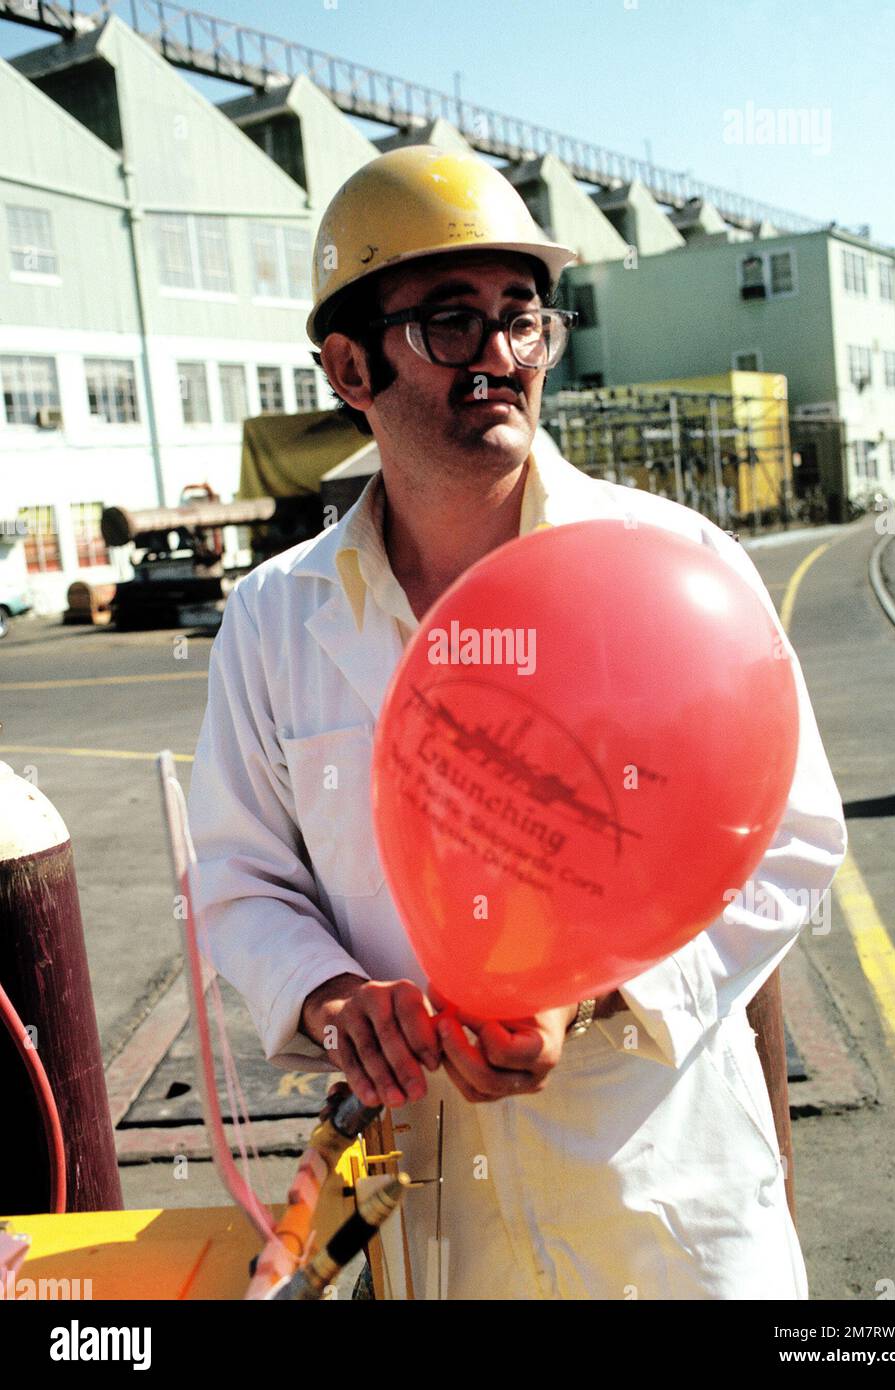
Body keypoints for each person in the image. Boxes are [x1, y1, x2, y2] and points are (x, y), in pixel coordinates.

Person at [187, 145, 847, 1300]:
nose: (499, 356)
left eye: (520, 317)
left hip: (660, 1208)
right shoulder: (275, 620)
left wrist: (592, 992)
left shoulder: (673, 568)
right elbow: (241, 878)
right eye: (450, 322)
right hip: (438, 1230)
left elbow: (790, 838)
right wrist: (335, 998)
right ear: (349, 366)